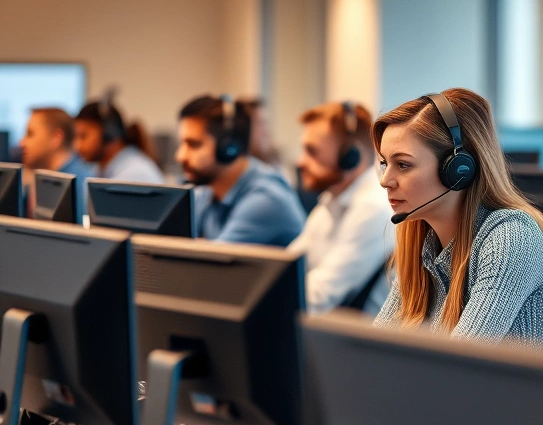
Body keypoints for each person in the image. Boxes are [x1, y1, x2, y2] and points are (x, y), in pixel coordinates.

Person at [372, 88, 543, 349]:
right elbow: (375, 350)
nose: (385, 180)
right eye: (384, 164)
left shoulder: (511, 237)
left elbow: (457, 364)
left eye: (403, 164)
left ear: (459, 169)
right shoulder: (422, 244)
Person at [288, 101, 396, 315]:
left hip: (360, 334)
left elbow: (319, 297)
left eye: (312, 152)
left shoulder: (373, 209)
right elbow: (286, 268)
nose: (300, 162)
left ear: (350, 158)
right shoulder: (330, 203)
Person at [177, 95, 306, 247]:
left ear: (228, 149)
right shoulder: (206, 193)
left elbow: (209, 260)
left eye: (193, 144)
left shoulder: (266, 200)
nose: (180, 156)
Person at [18, 107, 95, 218]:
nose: (22, 143)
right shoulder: (37, 182)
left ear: (56, 137)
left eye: (30, 134)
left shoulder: (82, 186)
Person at [74, 98, 164, 184]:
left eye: (83, 136)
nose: (77, 146)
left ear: (109, 134)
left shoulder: (132, 176)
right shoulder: (101, 169)